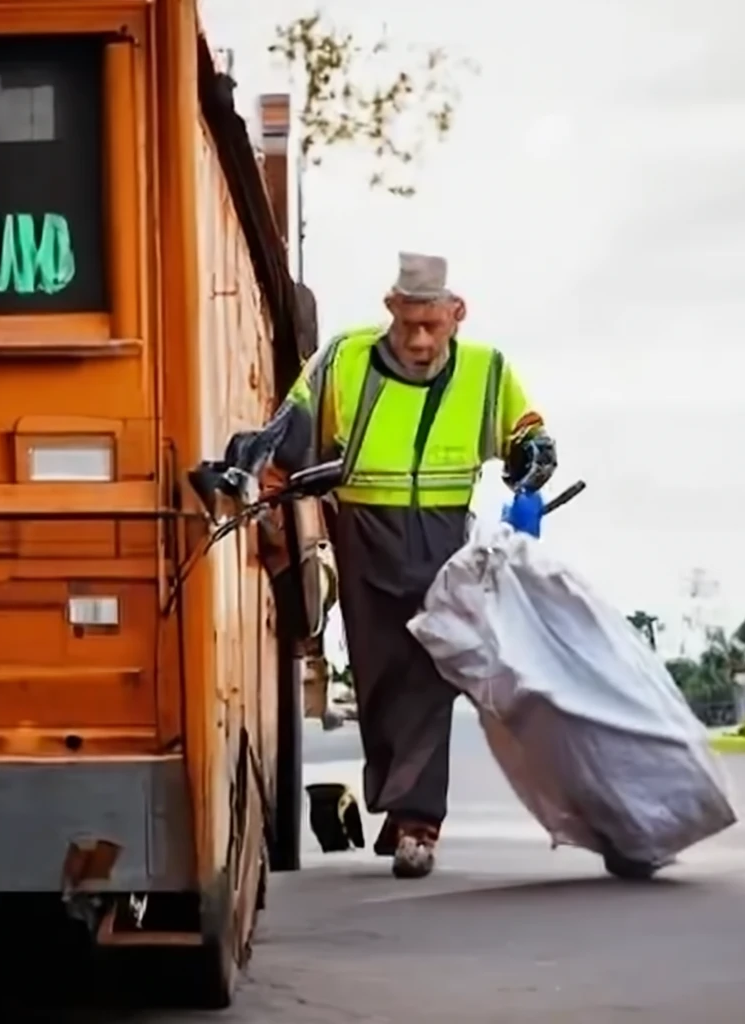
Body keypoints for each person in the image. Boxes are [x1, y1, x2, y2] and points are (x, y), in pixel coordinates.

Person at [224, 252, 557, 879]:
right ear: (390, 311)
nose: (421, 340)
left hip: (444, 542)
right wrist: (262, 451)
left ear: (457, 315)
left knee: (432, 675)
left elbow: (526, 432)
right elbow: (294, 425)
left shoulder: (488, 369)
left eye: (433, 324)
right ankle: (396, 800)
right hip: (363, 536)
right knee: (379, 682)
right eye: (409, 325)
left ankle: (418, 826)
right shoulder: (345, 359)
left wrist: (534, 453)